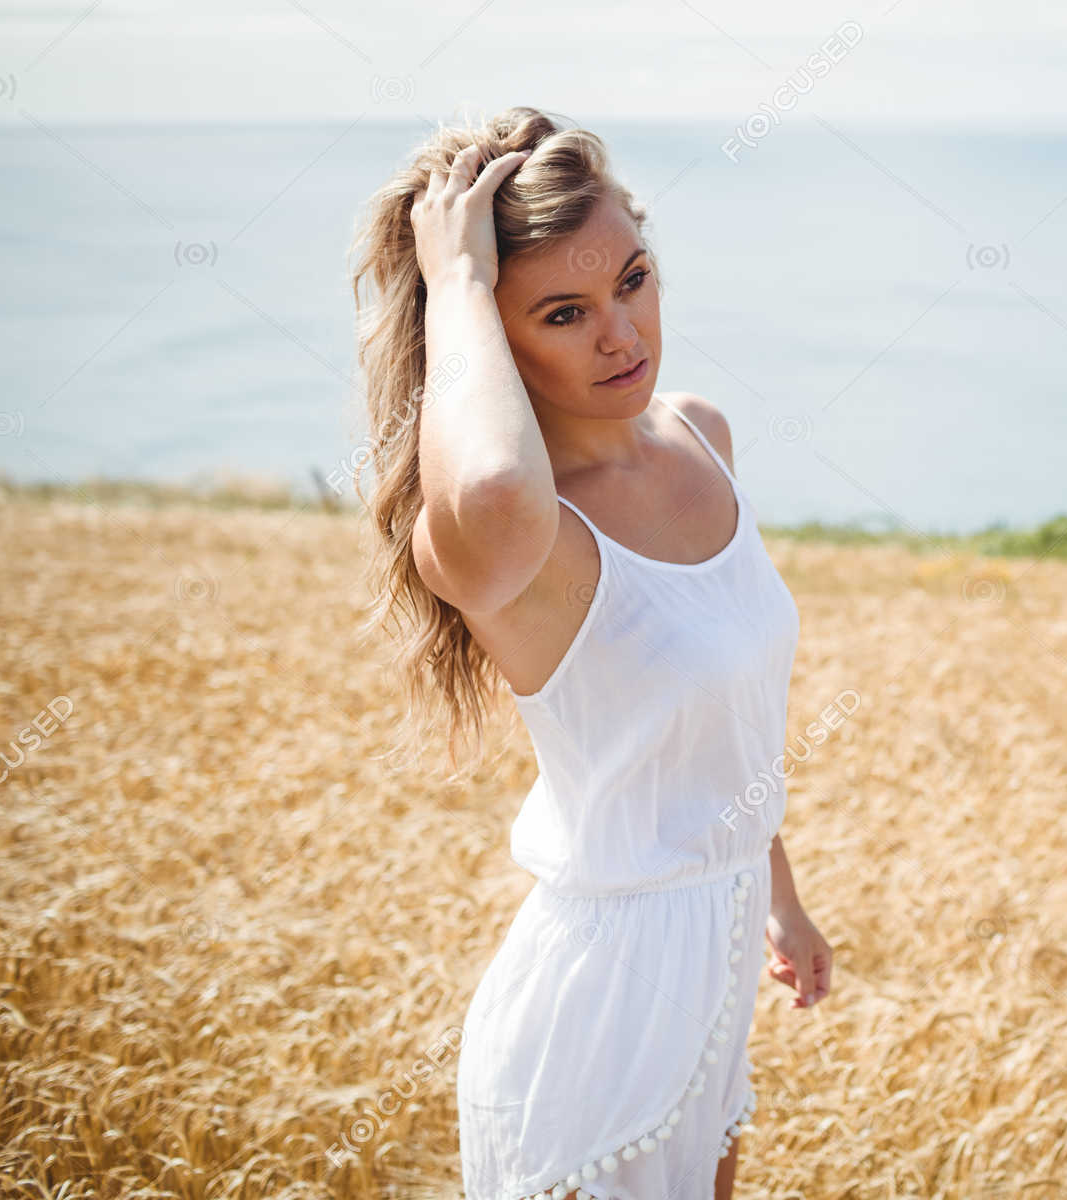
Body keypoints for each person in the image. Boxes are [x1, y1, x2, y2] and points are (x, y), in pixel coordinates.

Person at [348, 104, 833, 1200]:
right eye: (562, 312)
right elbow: (490, 481)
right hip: (593, 1017)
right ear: (487, 336)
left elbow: (720, 726)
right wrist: (457, 281)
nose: (623, 334)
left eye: (633, 278)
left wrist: (776, 893)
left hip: (711, 978)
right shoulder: (513, 538)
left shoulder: (701, 434)